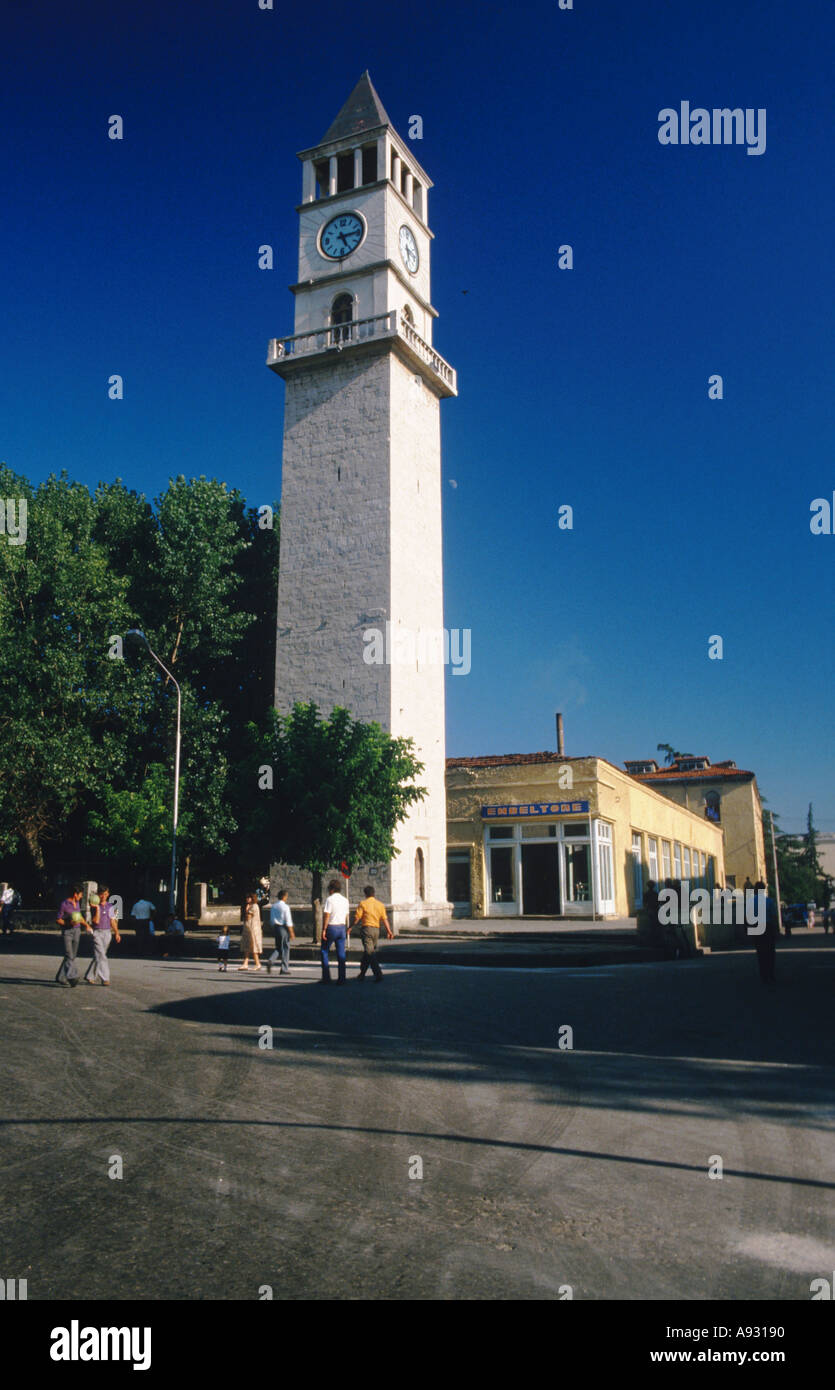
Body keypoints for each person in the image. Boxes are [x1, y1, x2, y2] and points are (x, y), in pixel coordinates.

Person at [353, 885, 393, 982]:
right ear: (374, 893)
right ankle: (362, 974)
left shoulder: (363, 903)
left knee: (369, 953)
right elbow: (385, 919)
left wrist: (350, 927)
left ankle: (378, 974)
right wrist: (389, 931)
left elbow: (357, 917)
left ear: (365, 894)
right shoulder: (380, 904)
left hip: (367, 930)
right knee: (369, 952)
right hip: (376, 930)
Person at [84, 885, 121, 986]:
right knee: (101, 955)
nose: (103, 896)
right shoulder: (94, 906)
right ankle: (105, 978)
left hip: (107, 933)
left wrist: (117, 933)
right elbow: (95, 921)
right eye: (101, 894)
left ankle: (90, 976)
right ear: (98, 895)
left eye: (105, 894)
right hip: (97, 932)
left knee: (99, 955)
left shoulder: (110, 906)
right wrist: (97, 909)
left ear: (108, 894)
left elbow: (113, 921)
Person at [55, 885, 91, 987]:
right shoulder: (64, 904)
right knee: (69, 954)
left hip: (77, 931)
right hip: (67, 931)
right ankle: (72, 976)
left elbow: (79, 917)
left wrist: (87, 925)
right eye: (80, 895)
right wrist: (68, 924)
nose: (81, 897)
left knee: (72, 955)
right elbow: (58, 919)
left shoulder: (77, 904)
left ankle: (61, 977)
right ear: (75, 894)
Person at [320, 877, 350, 984]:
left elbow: (327, 915)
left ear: (331, 889)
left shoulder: (330, 899)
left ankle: (326, 977)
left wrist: (324, 929)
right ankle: (342, 978)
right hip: (342, 927)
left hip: (332, 927)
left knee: (324, 950)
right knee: (341, 953)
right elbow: (347, 915)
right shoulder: (345, 900)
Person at [752, 880, 779, 984]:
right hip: (768, 927)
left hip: (756, 927)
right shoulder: (769, 901)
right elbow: (773, 916)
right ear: (763, 890)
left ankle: (763, 974)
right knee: (770, 951)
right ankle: (771, 974)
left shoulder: (751, 902)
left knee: (760, 952)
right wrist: (776, 930)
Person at [267, 890, 295, 975]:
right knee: (286, 948)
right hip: (284, 928)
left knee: (279, 947)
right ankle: (284, 968)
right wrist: (291, 932)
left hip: (276, 927)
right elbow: (288, 920)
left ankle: (271, 960)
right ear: (284, 897)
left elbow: (271, 919)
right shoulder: (285, 907)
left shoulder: (273, 906)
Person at [238, 893, 263, 971]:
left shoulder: (254, 906)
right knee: (247, 947)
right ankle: (245, 963)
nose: (247, 899)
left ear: (252, 898)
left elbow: (248, 917)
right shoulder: (252, 906)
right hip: (249, 929)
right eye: (247, 897)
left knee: (253, 946)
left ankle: (257, 963)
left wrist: (246, 909)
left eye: (249, 898)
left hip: (253, 929)